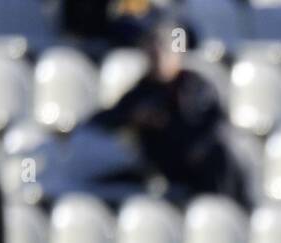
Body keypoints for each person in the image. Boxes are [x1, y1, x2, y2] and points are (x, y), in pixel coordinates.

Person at [88, 19, 247, 205]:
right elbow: (104, 119)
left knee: (219, 155)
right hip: (165, 168)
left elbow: (215, 124)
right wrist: (135, 117)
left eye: (163, 49)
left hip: (201, 168)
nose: (157, 55)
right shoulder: (143, 90)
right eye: (151, 48)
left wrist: (178, 132)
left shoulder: (197, 85)